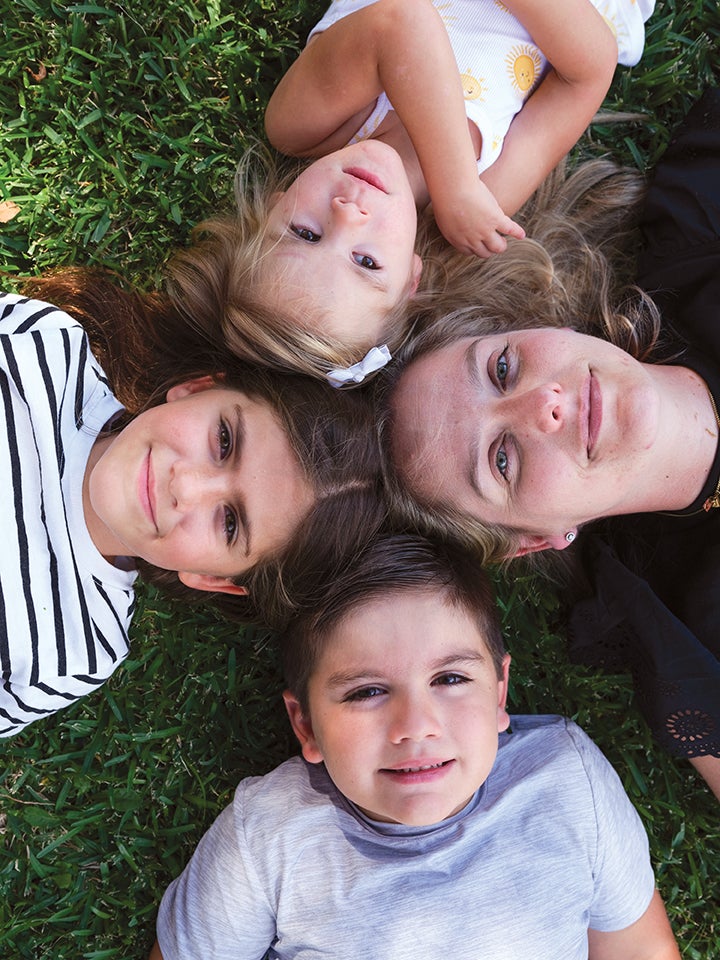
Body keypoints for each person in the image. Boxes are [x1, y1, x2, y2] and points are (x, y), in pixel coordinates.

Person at [382, 89, 720, 800]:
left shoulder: (703, 226)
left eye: (503, 367)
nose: (546, 404)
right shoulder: (691, 639)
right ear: (537, 539)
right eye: (501, 459)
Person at [149, 535, 680, 960]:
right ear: (305, 724)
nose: (415, 726)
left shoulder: (566, 779)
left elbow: (639, 946)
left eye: (450, 678)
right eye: (368, 691)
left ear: (499, 692)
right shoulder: (269, 834)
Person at [170, 0, 653, 384]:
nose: (348, 213)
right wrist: (462, 188)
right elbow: (586, 74)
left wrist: (455, 183)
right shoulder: (486, 197)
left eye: (304, 232)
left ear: (273, 206)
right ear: (411, 280)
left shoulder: (303, 125)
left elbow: (402, 23)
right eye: (365, 262)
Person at [0, 269, 385, 738]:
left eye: (229, 522)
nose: (187, 486)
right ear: (198, 389)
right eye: (223, 440)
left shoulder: (77, 651)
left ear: (213, 579)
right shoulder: (44, 347)